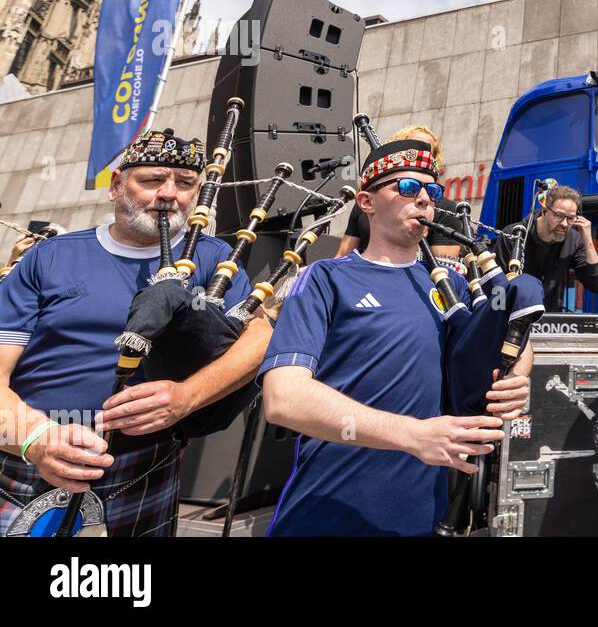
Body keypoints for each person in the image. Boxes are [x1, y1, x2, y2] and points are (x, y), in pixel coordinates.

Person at [0, 129, 268, 537]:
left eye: (185, 184)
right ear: (116, 186)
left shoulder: (214, 258)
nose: (169, 194)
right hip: (27, 453)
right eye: (152, 180)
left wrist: (187, 397)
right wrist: (35, 439)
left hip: (144, 462)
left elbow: (259, 338)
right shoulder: (51, 256)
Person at [259, 139, 530, 536]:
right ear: (367, 202)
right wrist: (413, 435)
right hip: (328, 511)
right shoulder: (323, 279)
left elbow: (514, 332)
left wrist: (516, 376)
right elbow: (283, 400)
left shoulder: (453, 284)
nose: (423, 199)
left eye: (431, 191)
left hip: (422, 515)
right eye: (406, 188)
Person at [336, 124, 461, 259]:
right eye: (411, 148)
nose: (417, 154)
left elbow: (445, 267)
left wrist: (416, 238)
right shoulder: (369, 202)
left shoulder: (445, 208)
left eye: (427, 151)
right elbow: (343, 253)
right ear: (367, 202)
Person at [492, 184, 598, 312]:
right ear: (544, 211)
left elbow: (596, 285)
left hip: (549, 318)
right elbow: (497, 283)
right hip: (514, 314)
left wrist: (588, 240)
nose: (564, 224)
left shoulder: (574, 239)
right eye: (559, 216)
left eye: (571, 218)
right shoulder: (513, 234)